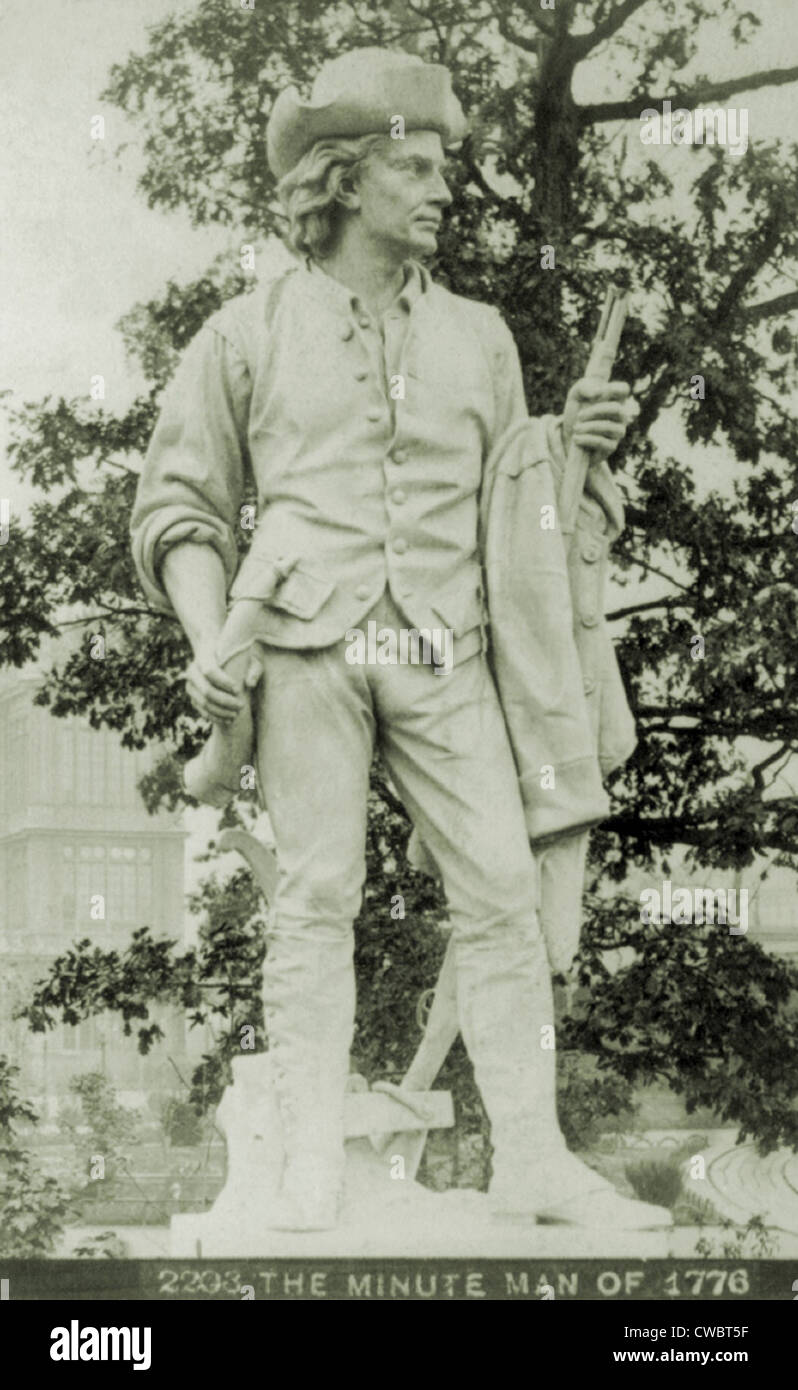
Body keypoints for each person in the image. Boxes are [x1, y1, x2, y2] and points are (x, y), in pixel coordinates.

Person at [131, 47, 667, 1233]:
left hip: (444, 650)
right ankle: (307, 1163)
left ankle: (530, 1155)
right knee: (317, 901)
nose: (441, 189)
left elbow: (510, 521)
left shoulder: (480, 338)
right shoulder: (246, 332)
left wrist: (562, 451)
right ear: (344, 179)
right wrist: (212, 635)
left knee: (504, 898)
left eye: (445, 168)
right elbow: (180, 508)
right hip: (307, 648)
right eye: (415, 167)